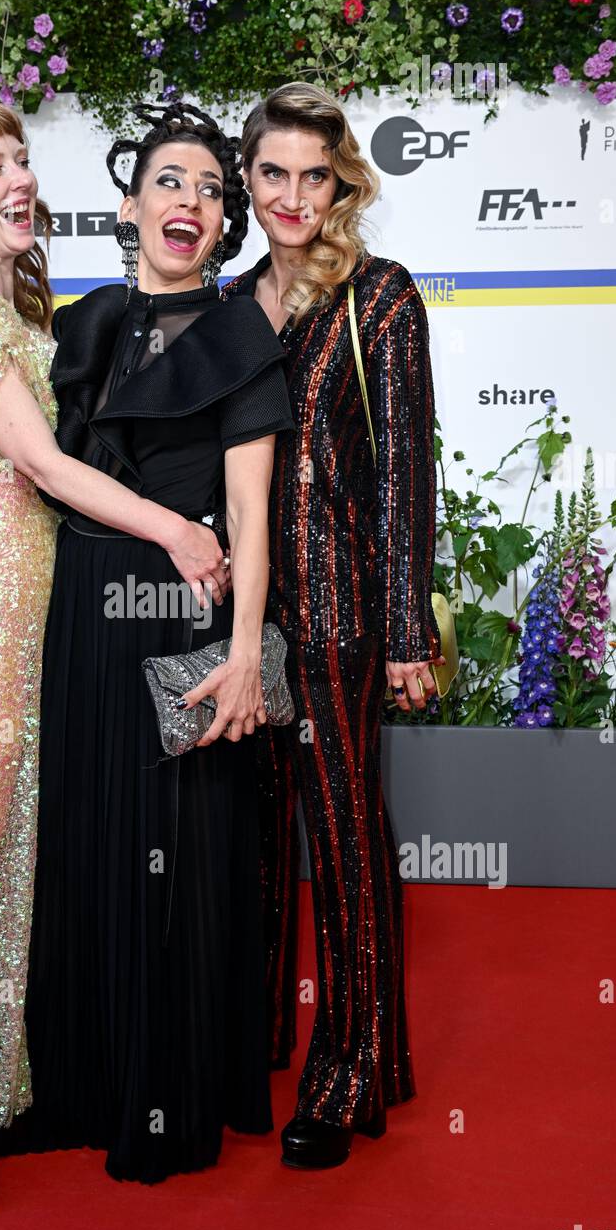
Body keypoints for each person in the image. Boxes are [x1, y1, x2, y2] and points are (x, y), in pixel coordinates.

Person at [0, 100, 228, 1209]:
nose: (22, 177)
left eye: (24, 158)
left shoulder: (6, 301)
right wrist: (174, 528)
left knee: (5, 837)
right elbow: (44, 467)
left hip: (41, 599)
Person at [0, 101, 295, 1184]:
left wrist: (245, 651)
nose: (189, 200)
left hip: (185, 615)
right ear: (128, 205)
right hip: (81, 612)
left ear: (222, 224)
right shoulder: (85, 322)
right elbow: (40, 467)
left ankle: (168, 1100)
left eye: (210, 188)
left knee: (182, 853)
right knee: (88, 835)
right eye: (170, 181)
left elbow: (247, 515)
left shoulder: (241, 338)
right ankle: (82, 1078)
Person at [221, 82, 444, 1169]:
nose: (292, 195)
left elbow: (405, 473)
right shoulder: (226, 300)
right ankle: (253, 1046)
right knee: (250, 833)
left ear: (340, 180)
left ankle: (350, 1068)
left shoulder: (379, 298)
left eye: (314, 174)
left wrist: (406, 633)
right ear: (246, 178)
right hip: (240, 619)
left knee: (345, 839)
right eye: (273, 173)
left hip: (343, 615)